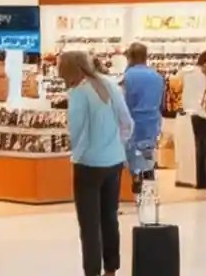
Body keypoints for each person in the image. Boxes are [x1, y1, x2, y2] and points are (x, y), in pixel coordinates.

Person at [60, 50, 132, 276]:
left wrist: (77, 154)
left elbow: (77, 131)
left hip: (89, 164)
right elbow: (127, 122)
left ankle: (92, 271)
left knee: (90, 224)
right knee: (110, 216)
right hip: (114, 161)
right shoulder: (109, 84)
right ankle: (111, 268)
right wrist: (117, 144)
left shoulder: (79, 93)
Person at [122, 42, 165, 191]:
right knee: (148, 154)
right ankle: (150, 183)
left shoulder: (128, 76)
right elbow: (162, 102)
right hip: (152, 121)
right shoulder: (157, 76)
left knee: (133, 155)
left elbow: (125, 102)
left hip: (134, 121)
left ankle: (135, 183)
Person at [180, 50, 206, 193]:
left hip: (190, 115)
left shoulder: (188, 73)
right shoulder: (201, 77)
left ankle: (200, 181)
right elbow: (198, 101)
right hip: (200, 116)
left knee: (199, 149)